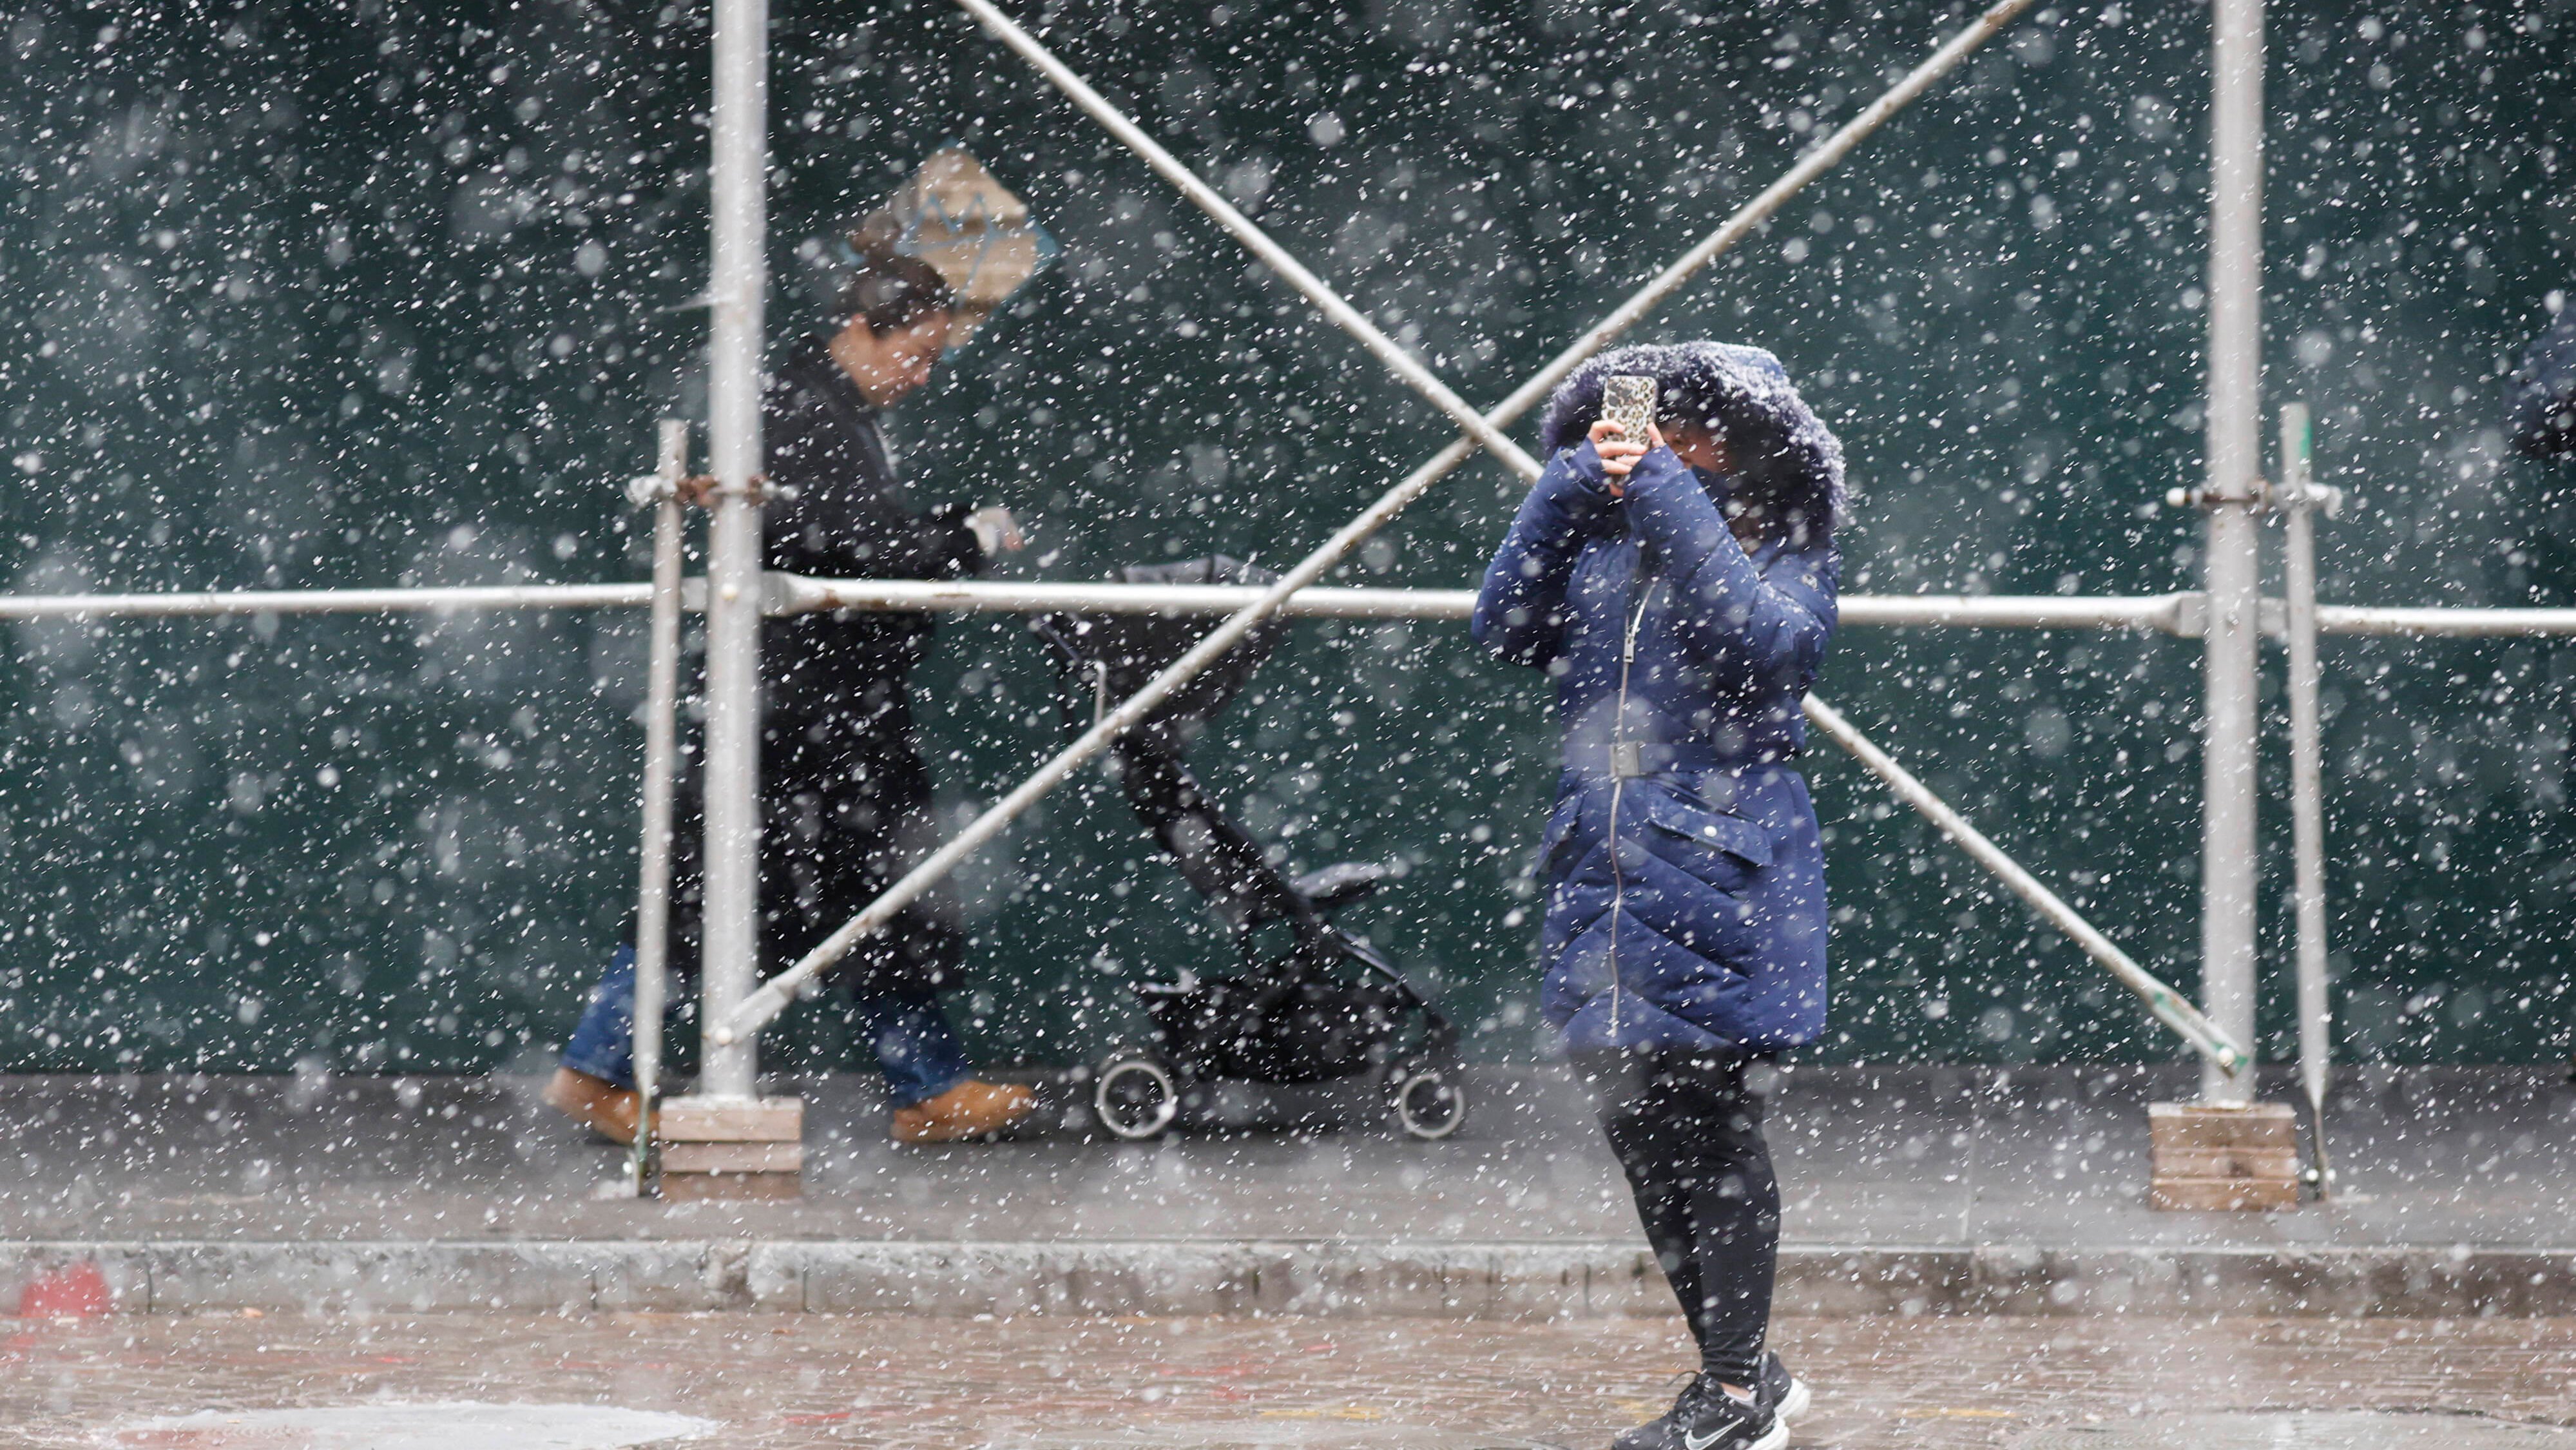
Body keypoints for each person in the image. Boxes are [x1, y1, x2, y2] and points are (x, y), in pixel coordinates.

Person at [546, 249, 1040, 1146]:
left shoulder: (815, 409)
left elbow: (854, 538)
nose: (924, 375)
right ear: (862, 329)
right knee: (752, 888)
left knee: (853, 886)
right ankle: (598, 1068)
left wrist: (944, 534)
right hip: (805, 705)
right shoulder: (807, 413)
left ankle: (922, 1083)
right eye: (918, 352)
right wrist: (965, 540)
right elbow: (859, 547)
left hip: (811, 700)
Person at [1473, 342, 1843, 1450]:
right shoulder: (1604, 536)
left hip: (1721, 873)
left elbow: (1762, 647)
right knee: (1638, 1129)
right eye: (1646, 425)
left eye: (1689, 430)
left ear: (1745, 442)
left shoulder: (1786, 546)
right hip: (1604, 867)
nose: (1659, 445)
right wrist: (1564, 487)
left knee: (1713, 1127)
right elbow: (1503, 626)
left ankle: (1731, 1398)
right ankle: (1747, 1371)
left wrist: (1666, 492)